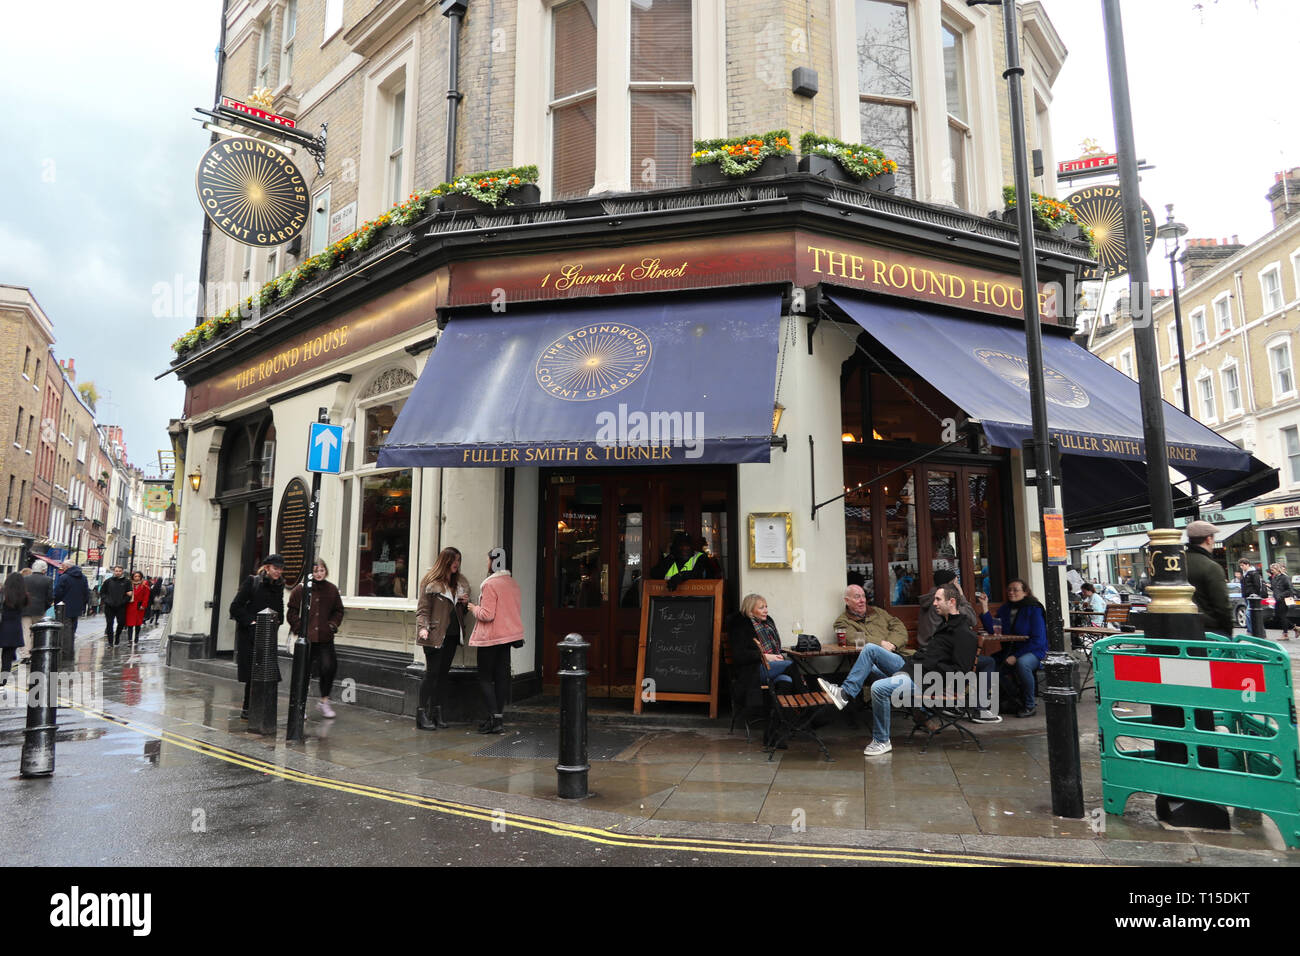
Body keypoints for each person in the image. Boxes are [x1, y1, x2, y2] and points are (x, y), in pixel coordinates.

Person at [819, 583, 992, 755]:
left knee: (878, 687)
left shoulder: (964, 633)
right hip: (913, 667)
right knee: (870, 650)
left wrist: (928, 667)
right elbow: (931, 654)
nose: (934, 603)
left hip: (928, 680)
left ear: (952, 602)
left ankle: (881, 741)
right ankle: (845, 693)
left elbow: (960, 673)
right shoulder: (945, 626)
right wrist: (915, 661)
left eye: (938, 599)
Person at [465, 548, 524, 735]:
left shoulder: (490, 585)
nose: (487, 563)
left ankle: (494, 719)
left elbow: (487, 615)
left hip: (490, 639)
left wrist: (473, 607)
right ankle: (498, 718)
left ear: (494, 561)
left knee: (484, 678)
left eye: (488, 560)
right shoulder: (513, 583)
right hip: (507, 638)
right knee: (501, 679)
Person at [977, 579, 1048, 718]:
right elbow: (994, 629)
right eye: (1009, 589)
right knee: (990, 662)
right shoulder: (1005, 608)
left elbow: (1039, 640)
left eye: (1015, 589)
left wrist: (1016, 656)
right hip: (1010, 650)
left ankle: (1029, 704)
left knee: (1022, 663)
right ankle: (1010, 698)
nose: (1011, 592)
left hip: (1033, 651)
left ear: (1025, 592)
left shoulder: (1034, 608)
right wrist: (984, 606)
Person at [415, 547, 469, 730]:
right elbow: (422, 610)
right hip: (434, 634)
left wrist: (464, 604)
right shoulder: (430, 582)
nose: (457, 564)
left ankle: (436, 712)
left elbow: (461, 612)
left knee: (443, 675)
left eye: (459, 560)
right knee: (432, 674)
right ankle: (421, 713)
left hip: (453, 634)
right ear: (445, 561)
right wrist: (423, 628)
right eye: (454, 560)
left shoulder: (459, 583)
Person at [228, 555, 287, 719]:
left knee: (268, 672)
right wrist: (252, 622)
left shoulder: (279, 585)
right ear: (267, 567)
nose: (279, 572)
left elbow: (279, 609)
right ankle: (247, 708)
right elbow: (235, 607)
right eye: (276, 568)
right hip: (250, 636)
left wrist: (278, 621)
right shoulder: (252, 582)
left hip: (268, 635)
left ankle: (262, 707)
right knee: (253, 674)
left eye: (281, 568)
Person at [287, 559, 346, 719]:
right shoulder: (301, 589)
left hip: (325, 638)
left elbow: (338, 611)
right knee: (303, 672)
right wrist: (301, 629)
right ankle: (300, 705)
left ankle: (324, 701)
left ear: (325, 571)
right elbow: (291, 613)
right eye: (315, 571)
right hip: (306, 639)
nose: (319, 574)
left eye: (321, 570)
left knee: (329, 668)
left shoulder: (331, 589)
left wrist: (332, 625)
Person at [728, 593, 809, 697]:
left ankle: (783, 713)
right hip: (752, 670)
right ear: (750, 610)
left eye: (766, 607)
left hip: (769, 667)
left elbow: (776, 647)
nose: (766, 610)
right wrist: (765, 656)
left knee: (786, 680)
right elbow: (739, 655)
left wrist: (776, 657)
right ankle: (808, 700)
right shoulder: (741, 625)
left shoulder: (767, 622)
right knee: (790, 665)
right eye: (761, 608)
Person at [1183, 520, 1233, 636]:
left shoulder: (1179, 563)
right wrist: (1228, 631)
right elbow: (1223, 606)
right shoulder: (1211, 567)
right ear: (1208, 539)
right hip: (1210, 631)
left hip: (1183, 629)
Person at [834, 583, 911, 656]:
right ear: (847, 601)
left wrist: (893, 644)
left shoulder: (878, 612)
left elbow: (899, 627)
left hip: (901, 653)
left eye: (863, 596)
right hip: (876, 660)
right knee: (914, 667)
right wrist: (881, 643)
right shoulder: (842, 622)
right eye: (857, 597)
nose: (862, 600)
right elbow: (853, 638)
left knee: (919, 664)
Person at [916, 569, 976, 648]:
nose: (957, 586)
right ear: (947, 585)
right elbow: (972, 619)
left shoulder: (930, 598)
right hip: (938, 649)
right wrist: (961, 594)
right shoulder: (945, 601)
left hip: (926, 646)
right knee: (989, 660)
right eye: (955, 583)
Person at [21, 559, 53, 664]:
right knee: (37, 632)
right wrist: (45, 607)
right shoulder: (48, 580)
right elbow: (49, 597)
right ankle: (34, 652)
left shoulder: (25, 579)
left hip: (25, 609)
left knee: (26, 632)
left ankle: (26, 655)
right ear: (44, 570)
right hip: (39, 610)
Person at [51, 561, 90, 643]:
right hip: (77, 607)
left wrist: (56, 603)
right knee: (73, 628)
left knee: (65, 629)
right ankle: (70, 647)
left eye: (63, 566)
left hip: (64, 607)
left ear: (67, 567)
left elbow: (58, 593)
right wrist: (83, 605)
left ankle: (66, 650)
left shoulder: (64, 577)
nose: (62, 568)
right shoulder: (83, 578)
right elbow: (86, 593)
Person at [1, 572, 29, 685]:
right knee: (7, 658)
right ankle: (2, 682)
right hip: (14, 629)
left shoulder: (3, 593)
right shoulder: (24, 596)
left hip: (2, 625)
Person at [100, 566, 131, 646]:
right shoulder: (108, 581)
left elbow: (129, 594)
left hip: (121, 606)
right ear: (114, 571)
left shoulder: (127, 582)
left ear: (122, 572)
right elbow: (102, 592)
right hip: (109, 606)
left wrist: (123, 601)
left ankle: (117, 637)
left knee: (121, 623)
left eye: (119, 571)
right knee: (109, 623)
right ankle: (110, 642)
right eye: (116, 571)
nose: (117, 572)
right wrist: (106, 600)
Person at [1268, 563, 1297, 641]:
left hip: (1283, 600)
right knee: (1278, 616)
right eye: (1271, 570)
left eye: (1273, 570)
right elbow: (1275, 588)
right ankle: (1295, 628)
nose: (1272, 571)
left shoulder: (1284, 578)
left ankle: (1285, 634)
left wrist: (1281, 595)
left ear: (1278, 569)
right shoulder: (1274, 578)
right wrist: (1269, 586)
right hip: (1277, 599)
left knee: (1283, 616)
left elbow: (1290, 589)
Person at [124, 571, 150, 644]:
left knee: (138, 623)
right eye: (135, 576)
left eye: (138, 576)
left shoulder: (144, 584)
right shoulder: (129, 584)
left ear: (141, 577)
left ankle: (136, 637)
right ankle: (129, 639)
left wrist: (143, 605)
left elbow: (146, 596)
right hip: (130, 605)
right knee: (130, 623)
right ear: (133, 577)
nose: (137, 578)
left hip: (139, 605)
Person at [1240, 558, 1263, 633]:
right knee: (1253, 615)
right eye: (1240, 565)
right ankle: (1255, 630)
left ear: (1247, 564)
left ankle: (1252, 630)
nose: (1241, 567)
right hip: (1247, 596)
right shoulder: (1244, 574)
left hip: (1252, 596)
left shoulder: (1253, 573)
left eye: (1242, 565)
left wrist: (1255, 595)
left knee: (1248, 614)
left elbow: (1257, 585)